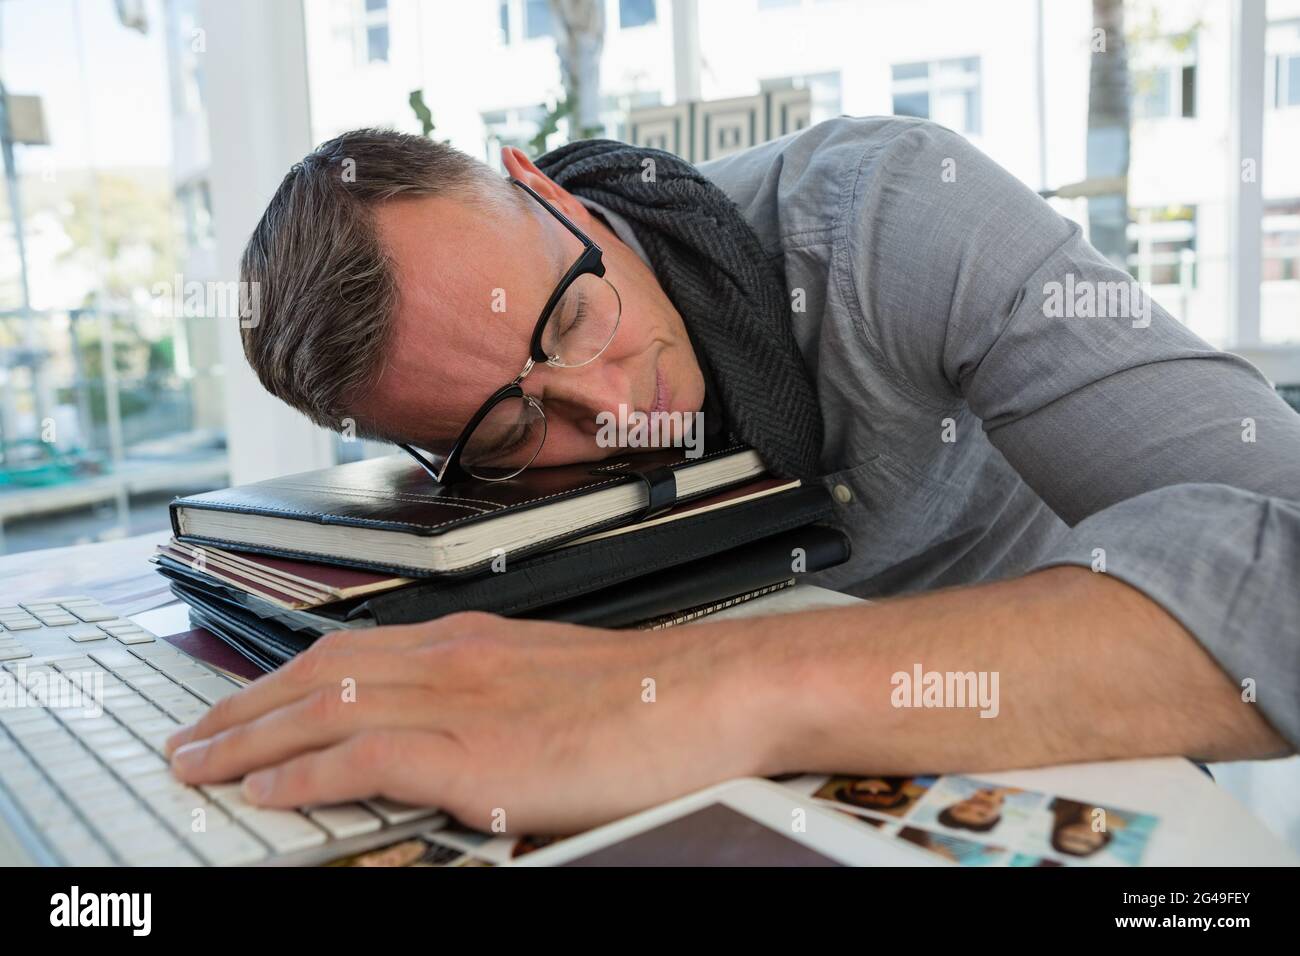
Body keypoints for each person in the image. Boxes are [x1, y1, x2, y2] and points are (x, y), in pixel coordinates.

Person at [164, 117, 1298, 836]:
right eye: (512, 429)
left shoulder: (893, 215)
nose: (614, 411)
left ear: (545, 189)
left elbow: (1281, 544)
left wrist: (721, 687)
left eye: (572, 313)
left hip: (1064, 772)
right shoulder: (458, 451)